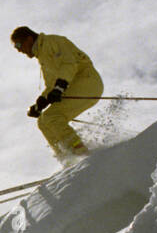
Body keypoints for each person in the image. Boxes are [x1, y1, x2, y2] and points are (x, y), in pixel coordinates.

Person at [10, 26, 104, 160]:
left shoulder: (52, 42)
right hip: (74, 85)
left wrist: (59, 88)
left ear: (29, 39)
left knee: (52, 117)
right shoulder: (42, 56)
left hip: (87, 81)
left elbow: (68, 64)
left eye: (18, 45)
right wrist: (40, 103)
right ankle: (67, 159)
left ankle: (81, 153)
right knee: (43, 122)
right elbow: (51, 85)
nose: (19, 50)